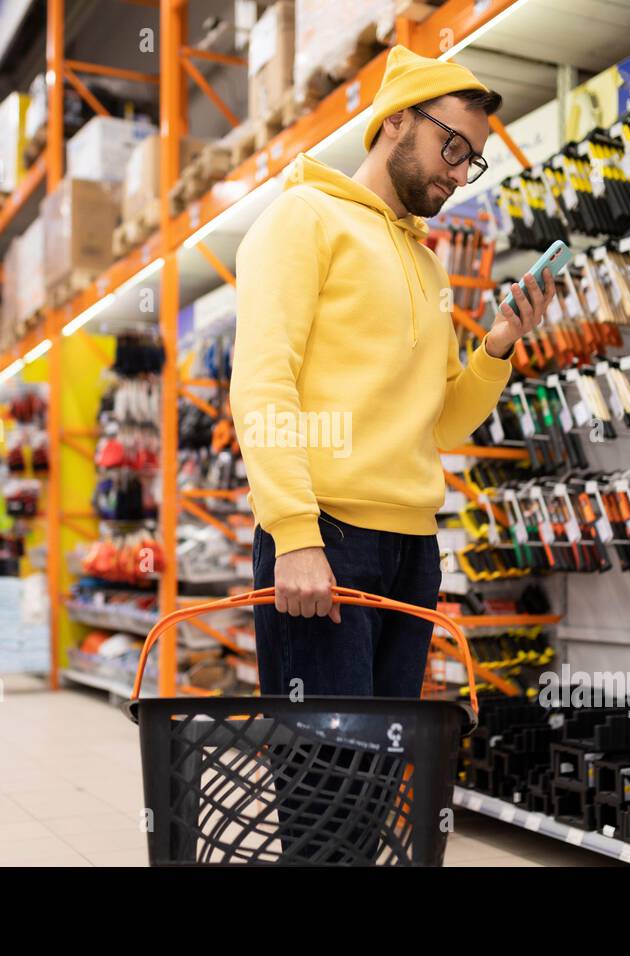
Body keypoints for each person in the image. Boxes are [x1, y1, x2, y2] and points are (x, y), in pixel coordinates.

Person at [231, 45, 555, 704]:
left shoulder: (428, 265)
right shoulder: (303, 219)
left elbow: (443, 422)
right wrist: (294, 536)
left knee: (380, 774)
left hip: (413, 548)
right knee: (329, 780)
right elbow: (263, 384)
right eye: (454, 148)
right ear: (399, 120)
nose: (461, 175)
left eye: (474, 161)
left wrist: (496, 348)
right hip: (325, 536)